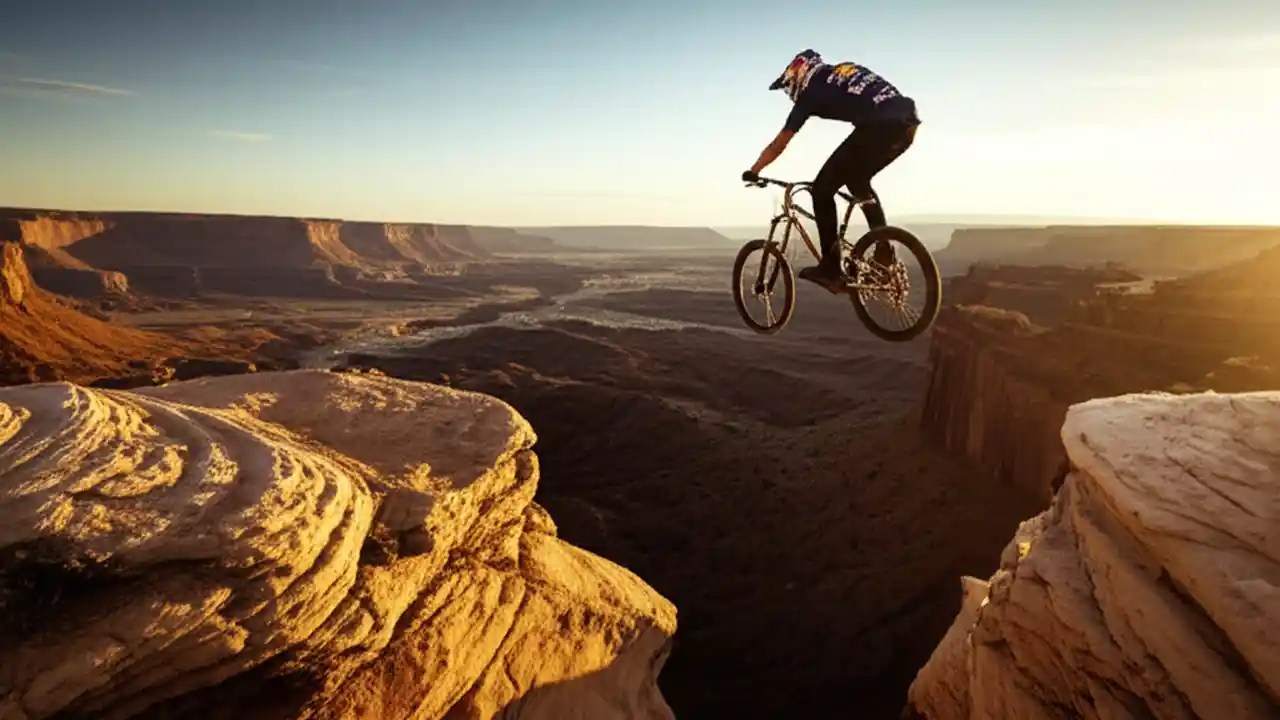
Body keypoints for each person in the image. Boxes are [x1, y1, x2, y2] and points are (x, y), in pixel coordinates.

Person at [743, 49, 920, 289]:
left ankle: (831, 267)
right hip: (907, 124)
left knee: (822, 190)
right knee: (858, 180)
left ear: (799, 74)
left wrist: (754, 170)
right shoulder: (842, 71)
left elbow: (780, 142)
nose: (790, 93)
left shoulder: (811, 93)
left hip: (879, 126)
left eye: (789, 85)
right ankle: (884, 252)